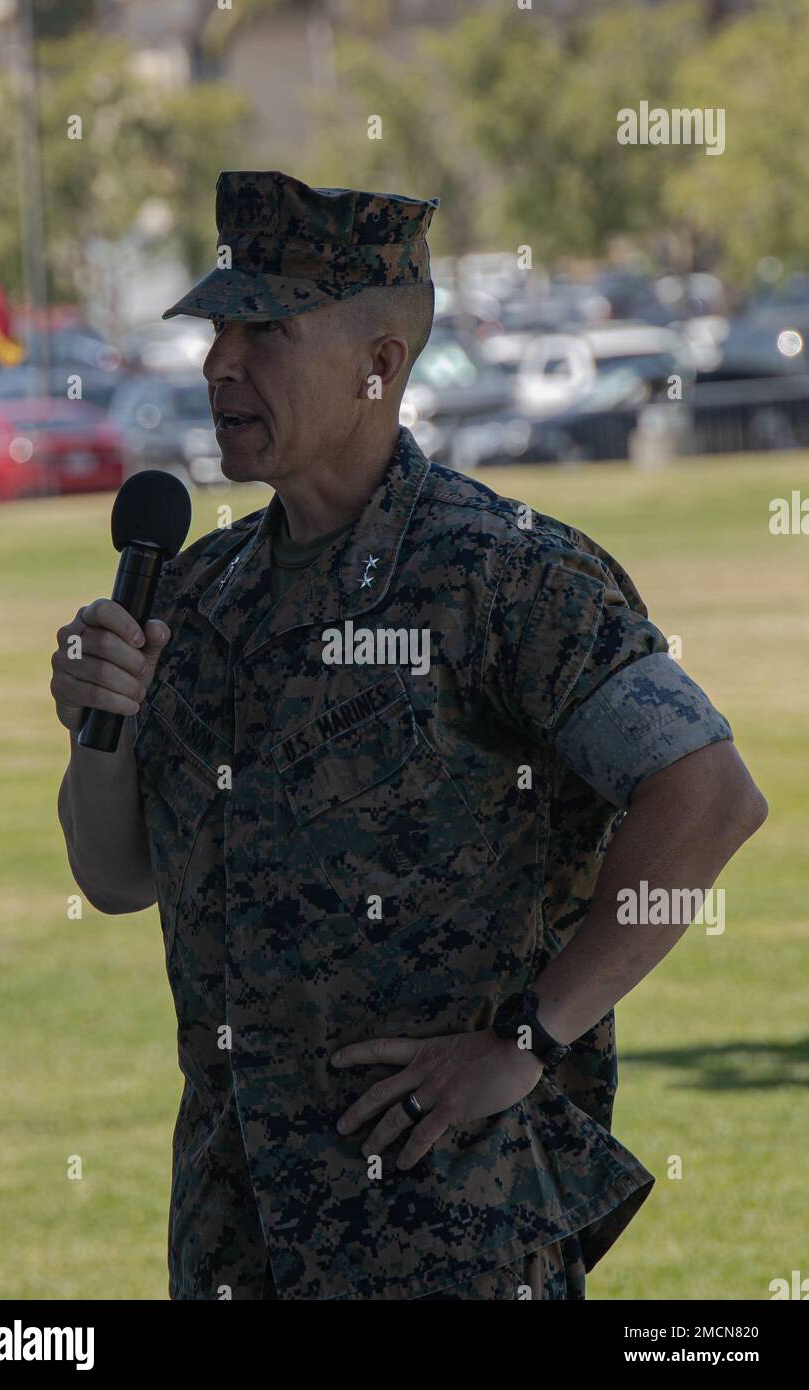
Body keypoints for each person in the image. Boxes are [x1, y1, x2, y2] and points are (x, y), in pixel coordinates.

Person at [52, 170, 767, 1301]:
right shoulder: (199, 594)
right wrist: (104, 728)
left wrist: (527, 1041)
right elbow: (114, 872)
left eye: (264, 330)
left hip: (445, 1233)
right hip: (234, 1226)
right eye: (215, 329)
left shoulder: (507, 575)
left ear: (378, 366)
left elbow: (710, 797)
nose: (217, 364)